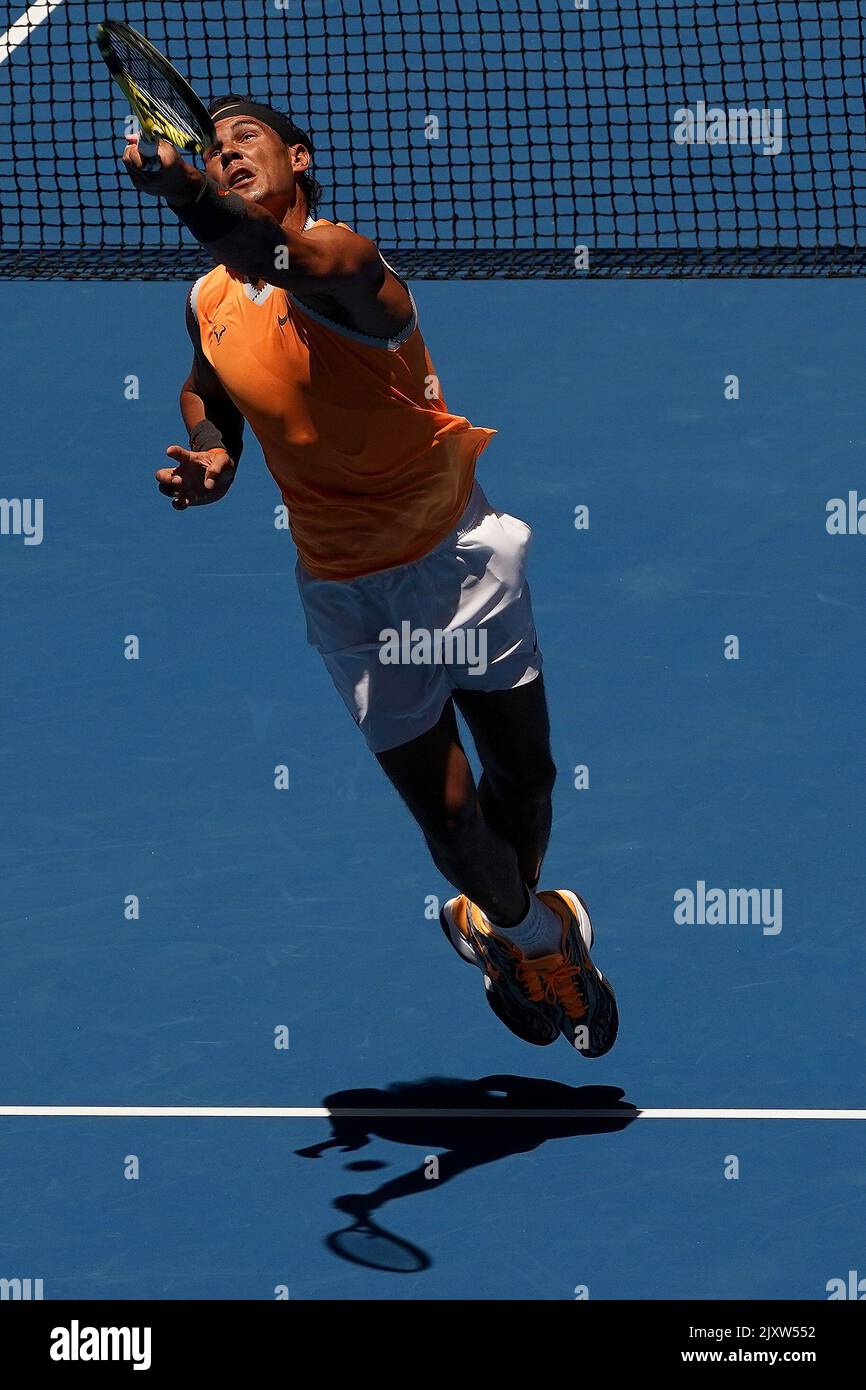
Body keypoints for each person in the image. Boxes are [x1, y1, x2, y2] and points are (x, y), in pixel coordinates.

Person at [121, 95, 618, 1054]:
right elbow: (206, 381)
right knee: (447, 812)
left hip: (460, 557)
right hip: (349, 591)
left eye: (243, 144)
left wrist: (184, 194)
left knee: (527, 775)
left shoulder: (351, 269)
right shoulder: (211, 298)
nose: (224, 158)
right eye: (211, 151)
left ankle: (502, 923)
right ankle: (532, 933)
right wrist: (211, 451)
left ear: (299, 159)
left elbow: (275, 257)